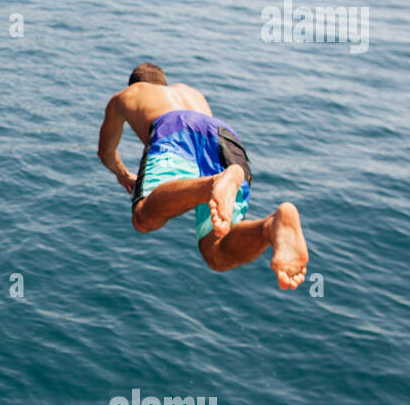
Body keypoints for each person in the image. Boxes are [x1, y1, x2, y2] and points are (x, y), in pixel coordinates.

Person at [97, 62, 308, 290]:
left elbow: (105, 151)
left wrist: (124, 175)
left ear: (135, 84)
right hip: (225, 138)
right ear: (163, 84)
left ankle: (212, 185)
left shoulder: (128, 94)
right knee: (215, 253)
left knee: (143, 218)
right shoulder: (191, 93)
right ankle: (271, 225)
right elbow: (201, 136)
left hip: (175, 130)